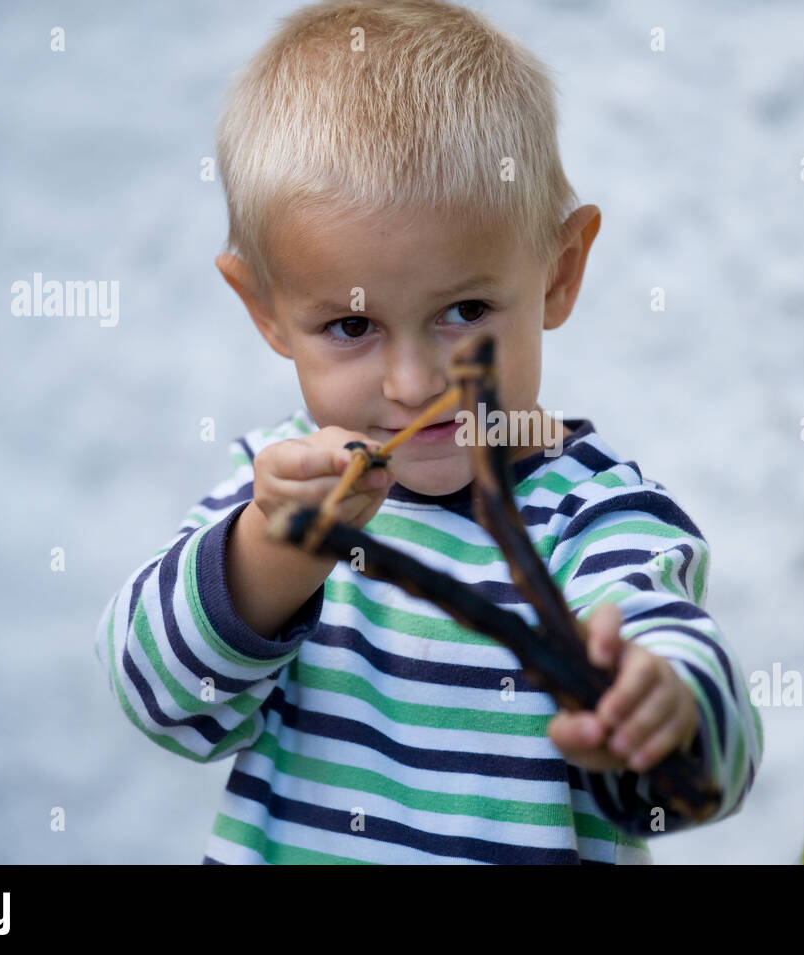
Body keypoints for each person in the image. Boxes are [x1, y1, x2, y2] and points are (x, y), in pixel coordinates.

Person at [95, 0, 761, 864]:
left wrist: (659, 707)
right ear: (264, 309)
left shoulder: (591, 519)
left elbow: (701, 773)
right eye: (351, 326)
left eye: (465, 310)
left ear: (559, 274)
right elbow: (157, 699)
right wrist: (271, 559)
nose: (414, 385)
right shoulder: (278, 488)